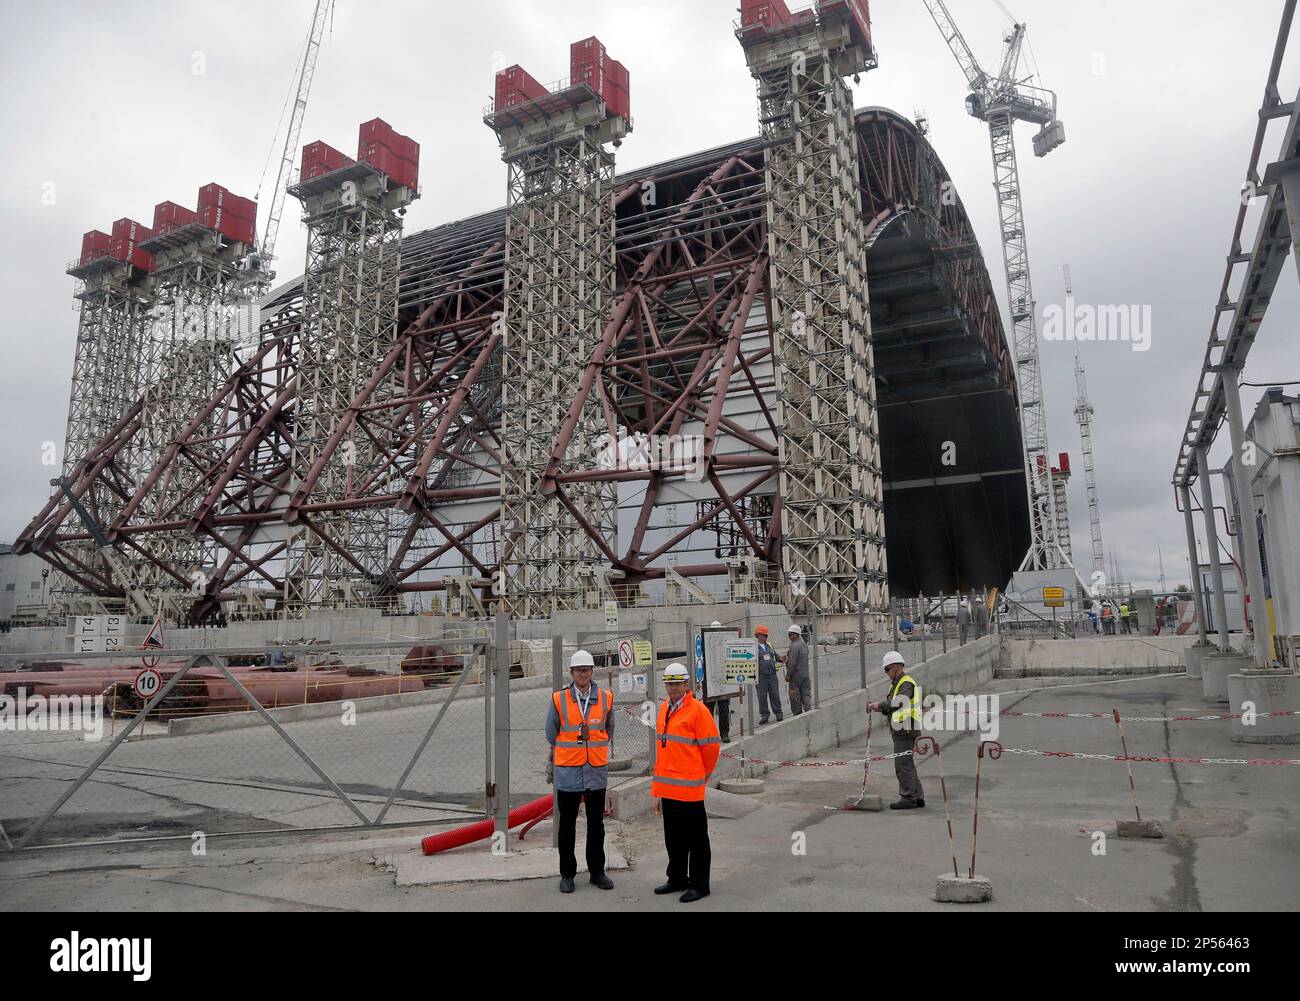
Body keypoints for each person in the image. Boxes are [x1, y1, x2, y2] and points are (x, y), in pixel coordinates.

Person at [546, 649, 616, 894]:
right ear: (572, 673)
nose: (583, 674)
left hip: (595, 770)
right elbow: (550, 732)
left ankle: (597, 872)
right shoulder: (559, 699)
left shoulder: (606, 697)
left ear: (592, 672)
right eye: (579, 671)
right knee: (567, 825)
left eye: (586, 670)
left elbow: (609, 728)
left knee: (596, 824)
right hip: (568, 772)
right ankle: (567, 874)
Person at [653, 663, 721, 903]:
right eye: (669, 684)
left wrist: (704, 774)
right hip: (669, 789)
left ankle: (700, 884)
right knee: (673, 838)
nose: (673, 688)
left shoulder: (698, 710)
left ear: (686, 685)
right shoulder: (664, 709)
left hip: (690, 789)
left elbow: (711, 747)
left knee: (696, 840)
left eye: (677, 683)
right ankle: (678, 878)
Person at [869, 651, 925, 810]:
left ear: (895, 667)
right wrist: (880, 708)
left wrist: (880, 705)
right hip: (903, 728)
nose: (886, 673)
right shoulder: (898, 684)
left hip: (906, 729)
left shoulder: (906, 682)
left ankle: (908, 798)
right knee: (908, 764)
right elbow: (892, 704)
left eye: (887, 669)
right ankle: (917, 796)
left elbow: (900, 701)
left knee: (903, 765)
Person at [705, 621, 732, 743]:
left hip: (723, 683)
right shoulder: (705, 643)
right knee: (708, 711)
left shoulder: (726, 643)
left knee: (724, 709)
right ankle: (709, 735)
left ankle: (724, 733)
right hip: (709, 683)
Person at [754, 624, 784, 724]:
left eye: (766, 636)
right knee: (762, 697)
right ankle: (764, 716)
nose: (766, 637)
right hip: (761, 676)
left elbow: (775, 655)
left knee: (775, 695)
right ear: (758, 635)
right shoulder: (753, 647)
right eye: (764, 635)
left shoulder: (769, 645)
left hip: (772, 675)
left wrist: (781, 659)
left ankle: (779, 714)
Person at [785, 624, 811, 716]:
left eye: (790, 634)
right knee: (806, 694)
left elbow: (792, 663)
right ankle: (809, 711)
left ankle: (797, 714)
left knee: (794, 695)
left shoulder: (794, 646)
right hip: (805, 675)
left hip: (796, 676)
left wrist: (788, 675)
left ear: (796, 634)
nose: (789, 636)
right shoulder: (804, 644)